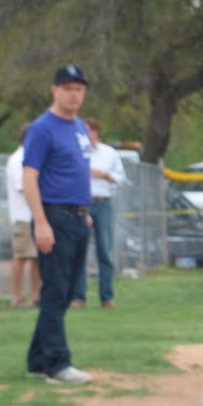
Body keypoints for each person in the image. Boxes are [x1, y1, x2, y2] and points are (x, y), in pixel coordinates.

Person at [19, 64, 94, 384]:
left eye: (79, 88)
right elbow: (29, 177)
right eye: (68, 88)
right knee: (56, 290)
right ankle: (56, 364)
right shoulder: (43, 128)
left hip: (77, 216)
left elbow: (77, 170)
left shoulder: (78, 125)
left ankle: (38, 359)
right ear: (55, 90)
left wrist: (84, 209)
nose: (74, 94)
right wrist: (41, 222)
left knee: (66, 292)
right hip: (55, 216)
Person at [71, 117, 126, 308]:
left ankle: (107, 296)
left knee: (105, 251)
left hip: (102, 203)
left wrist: (105, 175)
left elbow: (120, 178)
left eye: (92, 131)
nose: (89, 134)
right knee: (79, 251)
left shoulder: (109, 153)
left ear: (97, 132)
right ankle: (78, 297)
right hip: (81, 204)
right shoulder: (75, 152)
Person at [4, 126, 41, 308]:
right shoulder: (17, 159)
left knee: (36, 258)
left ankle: (36, 295)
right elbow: (24, 187)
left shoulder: (31, 158)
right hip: (23, 216)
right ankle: (16, 296)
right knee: (21, 257)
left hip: (35, 217)